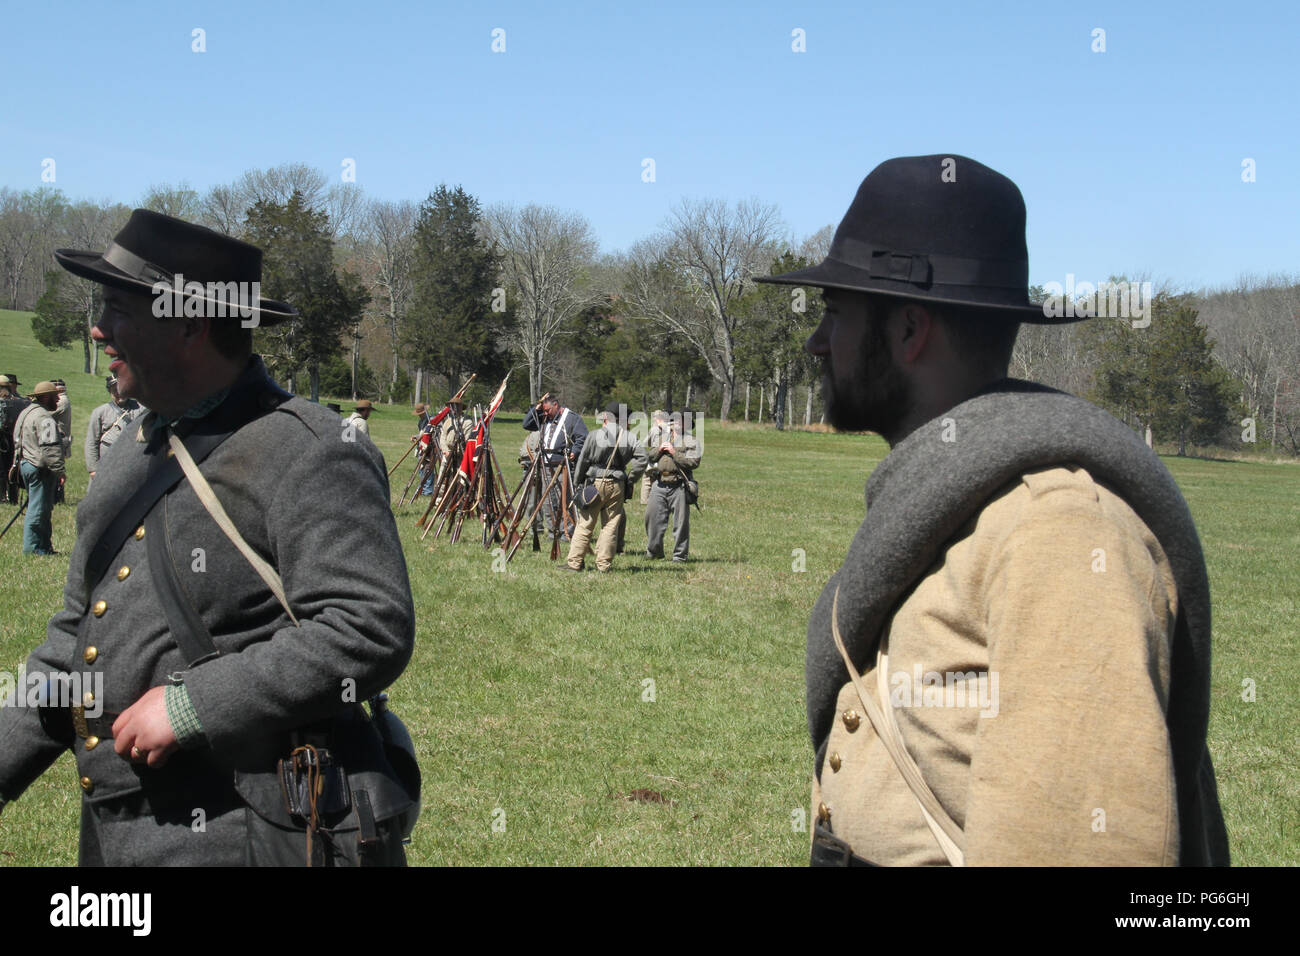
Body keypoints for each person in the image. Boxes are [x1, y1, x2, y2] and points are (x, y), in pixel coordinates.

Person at [754, 154, 1229, 866]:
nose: (817, 342)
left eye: (835, 314)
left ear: (910, 331)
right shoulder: (955, 495)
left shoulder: (1061, 530)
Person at [0, 209, 416, 866]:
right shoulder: (130, 451)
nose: (98, 328)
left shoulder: (310, 450)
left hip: (248, 832)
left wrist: (193, 706)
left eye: (117, 307)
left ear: (188, 324)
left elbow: (368, 626)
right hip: (117, 832)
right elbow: (68, 646)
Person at [563, 403, 647, 573]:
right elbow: (642, 459)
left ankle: (574, 563)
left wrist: (577, 482)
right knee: (610, 526)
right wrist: (630, 478)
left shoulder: (594, 435)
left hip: (594, 483)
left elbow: (583, 461)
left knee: (585, 524)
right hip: (617, 485)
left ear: (607, 417)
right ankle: (603, 565)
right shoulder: (630, 437)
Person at [10, 380, 65, 555]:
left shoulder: (26, 412)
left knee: (42, 507)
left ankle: (44, 546)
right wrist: (59, 470)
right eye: (55, 396)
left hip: (26, 463)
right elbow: (50, 447)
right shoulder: (43, 417)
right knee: (38, 509)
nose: (58, 400)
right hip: (39, 467)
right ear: (46, 397)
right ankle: (33, 549)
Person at [521, 393, 588, 537]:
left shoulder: (572, 418)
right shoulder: (544, 417)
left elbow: (582, 437)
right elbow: (526, 424)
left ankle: (567, 531)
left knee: (564, 499)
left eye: (548, 410)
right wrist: (537, 407)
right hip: (545, 464)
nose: (545, 413)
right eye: (543, 410)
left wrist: (575, 452)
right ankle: (553, 532)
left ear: (555, 405)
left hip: (562, 464)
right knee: (548, 501)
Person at [644, 409, 701, 562]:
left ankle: (680, 556)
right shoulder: (662, 437)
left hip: (679, 485)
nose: (676, 421)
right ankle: (654, 551)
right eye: (675, 418)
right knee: (651, 518)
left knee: (680, 524)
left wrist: (674, 452)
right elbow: (649, 455)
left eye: (681, 419)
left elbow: (693, 462)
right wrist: (660, 449)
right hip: (659, 483)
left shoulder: (693, 441)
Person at [84, 374, 142, 484]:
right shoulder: (99, 412)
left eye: (121, 388)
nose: (119, 393)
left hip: (131, 460)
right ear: (109, 391)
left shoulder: (141, 408)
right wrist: (93, 469)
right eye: (114, 390)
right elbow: (91, 442)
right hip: (105, 462)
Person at [0, 374, 31, 504]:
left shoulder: (4, 403)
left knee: (1, 470)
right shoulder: (22, 402)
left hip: (3, 441)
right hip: (16, 440)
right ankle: (13, 497)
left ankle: (2, 497)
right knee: (13, 468)